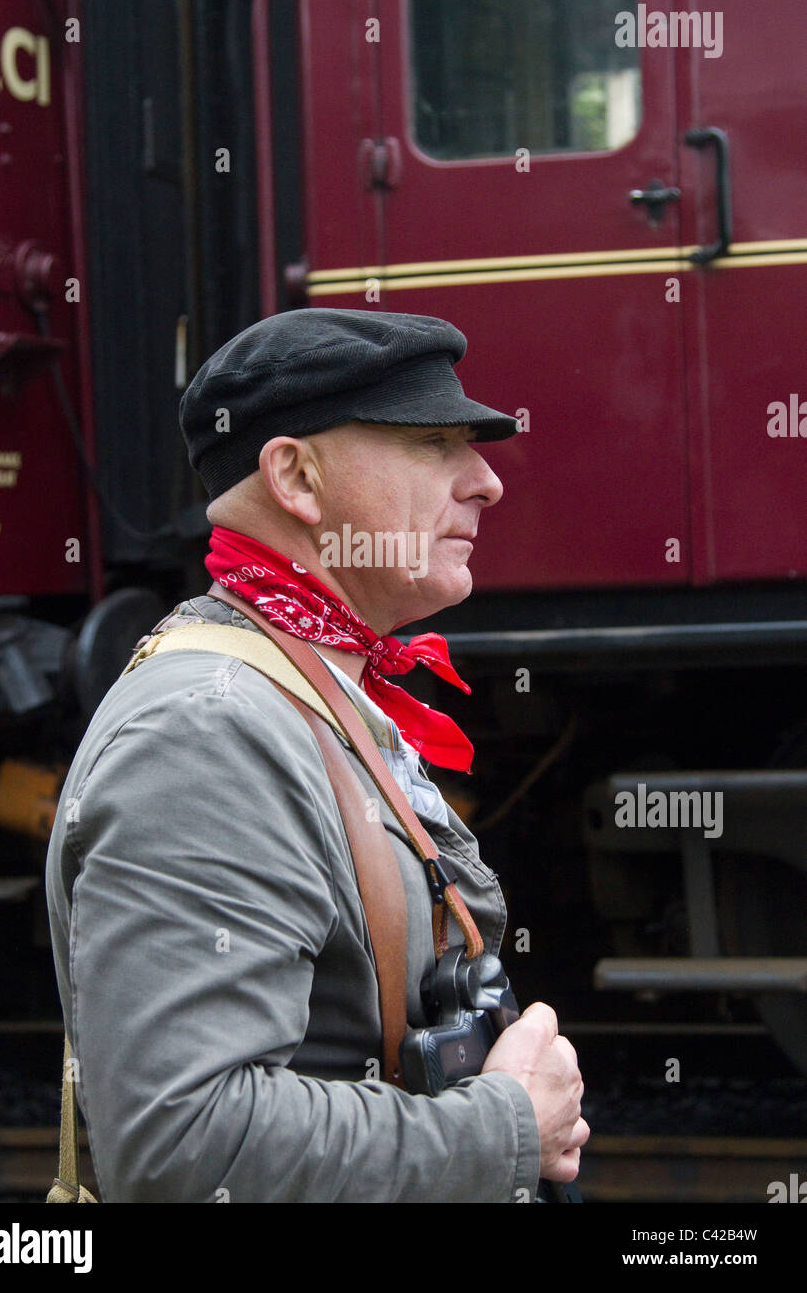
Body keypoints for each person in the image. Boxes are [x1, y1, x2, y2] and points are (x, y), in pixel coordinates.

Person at [45, 307, 589, 1202]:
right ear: (296, 477)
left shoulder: (307, 687)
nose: (486, 481)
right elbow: (190, 1148)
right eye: (433, 443)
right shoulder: (205, 734)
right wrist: (506, 1129)